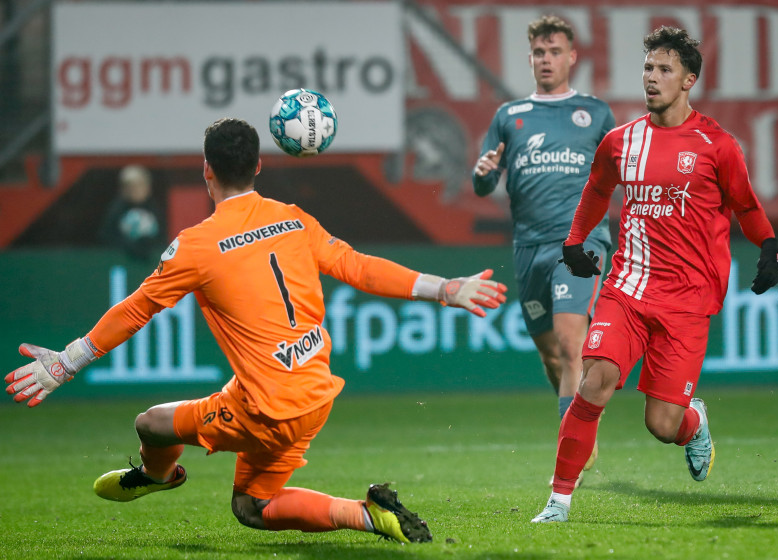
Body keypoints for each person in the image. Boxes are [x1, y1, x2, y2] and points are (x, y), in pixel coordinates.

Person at [5, 118, 508, 543]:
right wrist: (444, 287)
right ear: (259, 166)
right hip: (315, 392)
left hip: (267, 409)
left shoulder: (196, 246)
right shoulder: (293, 220)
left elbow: (136, 311)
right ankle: (370, 513)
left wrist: (65, 363)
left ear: (206, 170)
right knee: (251, 503)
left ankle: (157, 475)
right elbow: (360, 268)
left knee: (151, 425)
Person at [531, 26, 778, 523]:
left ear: (688, 79)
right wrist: (574, 241)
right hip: (627, 288)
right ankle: (558, 501)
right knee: (594, 381)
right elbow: (597, 190)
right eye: (648, 67)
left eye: (665, 69)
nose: (652, 77)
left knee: (662, 423)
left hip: (688, 300)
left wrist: (770, 248)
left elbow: (747, 206)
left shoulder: (717, 145)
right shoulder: (621, 141)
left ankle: (694, 423)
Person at [472, 15, 615, 481]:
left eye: (555, 51)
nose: (546, 59)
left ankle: (571, 445)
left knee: (573, 345)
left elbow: (619, 177)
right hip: (528, 247)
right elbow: (483, 182)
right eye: (539, 52)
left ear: (572, 56)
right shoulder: (508, 117)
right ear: (530, 57)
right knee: (553, 355)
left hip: (580, 241)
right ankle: (579, 414)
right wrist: (482, 173)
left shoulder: (595, 113)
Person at [99, 164, 166, 262]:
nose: (134, 190)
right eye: (129, 186)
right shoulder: (116, 209)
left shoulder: (155, 209)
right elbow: (106, 236)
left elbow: (162, 237)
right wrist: (129, 246)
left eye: (139, 185)